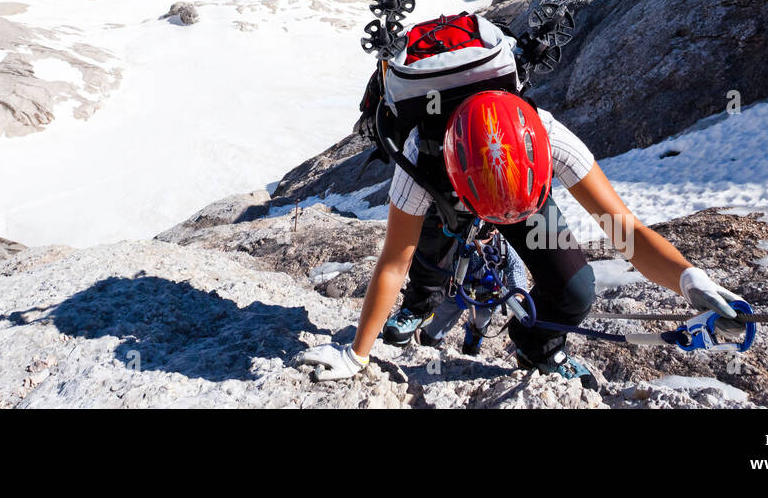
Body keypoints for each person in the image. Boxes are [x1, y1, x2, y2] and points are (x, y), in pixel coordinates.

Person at [299, 88, 744, 387]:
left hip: (515, 193)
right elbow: (394, 260)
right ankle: (419, 306)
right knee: (428, 258)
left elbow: (625, 233)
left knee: (574, 289)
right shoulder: (422, 156)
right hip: (448, 196)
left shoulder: (548, 137)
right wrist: (356, 355)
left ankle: (537, 351)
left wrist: (691, 280)